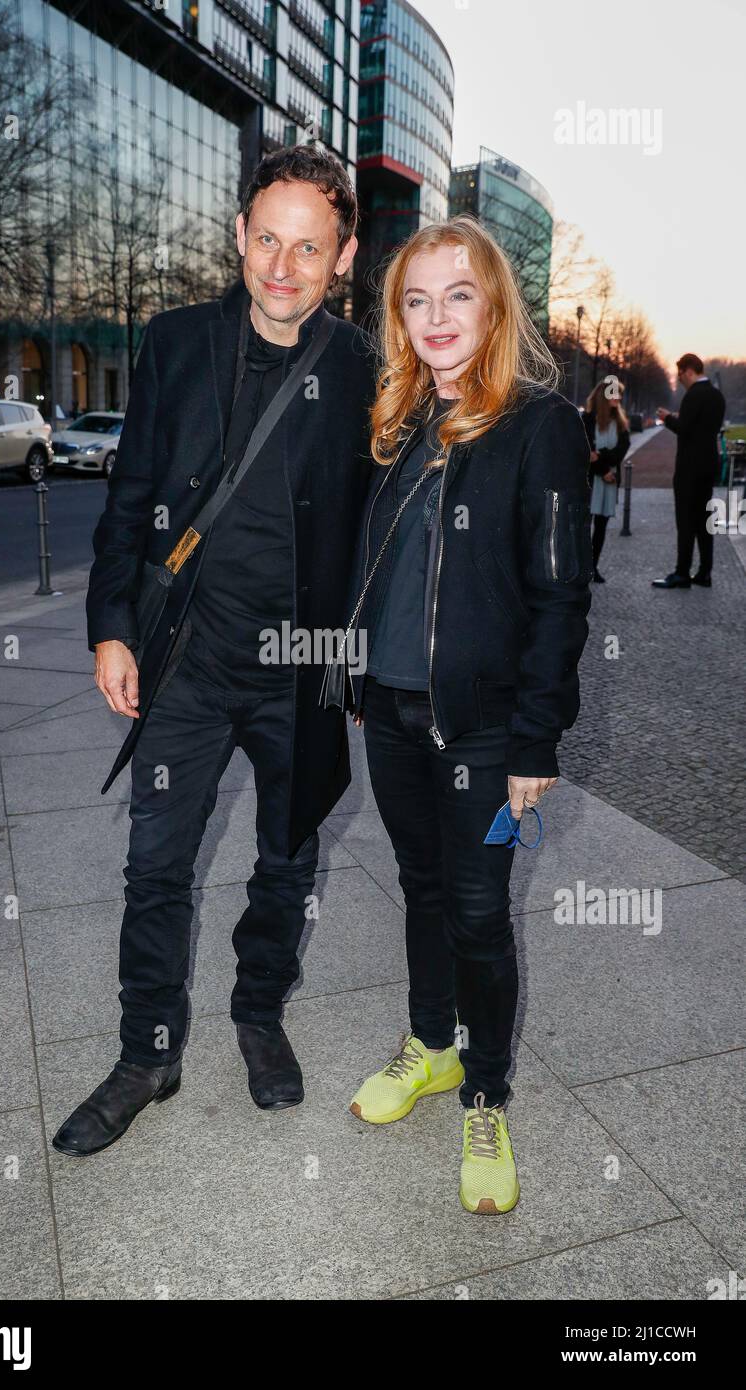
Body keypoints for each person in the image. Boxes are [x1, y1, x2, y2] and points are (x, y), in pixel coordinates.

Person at [52, 146, 375, 1157]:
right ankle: (147, 1049)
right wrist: (110, 624)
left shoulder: (366, 370)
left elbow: (390, 524)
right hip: (184, 663)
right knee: (156, 865)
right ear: (239, 234)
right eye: (266, 238)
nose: (282, 265)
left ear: (343, 256)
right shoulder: (175, 341)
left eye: (308, 247)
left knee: (287, 858)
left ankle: (257, 1010)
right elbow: (125, 499)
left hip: (301, 669)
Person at [342, 218, 592, 1214]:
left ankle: (484, 1090)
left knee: (480, 910)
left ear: (493, 307)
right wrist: (360, 683)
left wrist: (536, 738)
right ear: (397, 317)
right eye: (415, 297)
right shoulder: (395, 423)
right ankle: (430, 1046)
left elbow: (557, 593)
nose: (435, 315)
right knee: (419, 885)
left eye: (457, 294)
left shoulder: (538, 426)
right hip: (396, 715)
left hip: (485, 730)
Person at [653, 353, 725, 588]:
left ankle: (682, 572)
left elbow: (685, 429)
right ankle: (705, 572)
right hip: (709, 465)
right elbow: (705, 428)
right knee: (705, 521)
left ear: (689, 371)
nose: (680, 379)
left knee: (685, 520)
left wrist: (667, 419)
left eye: (680, 374)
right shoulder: (717, 396)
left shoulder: (693, 395)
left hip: (689, 468)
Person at [581, 378, 630, 583]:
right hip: (592, 480)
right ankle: (581, 567)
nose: (618, 397)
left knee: (601, 527)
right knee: (584, 526)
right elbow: (584, 453)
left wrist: (600, 456)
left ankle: (593, 567)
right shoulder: (588, 419)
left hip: (609, 480)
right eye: (614, 393)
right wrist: (603, 469)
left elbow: (621, 451)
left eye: (619, 393)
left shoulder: (620, 422)